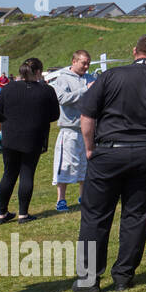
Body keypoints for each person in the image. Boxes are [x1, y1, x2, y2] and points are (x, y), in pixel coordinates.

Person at [73, 34, 146, 292]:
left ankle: (88, 280)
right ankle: (123, 276)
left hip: (108, 152)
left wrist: (90, 148)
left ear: (134, 51)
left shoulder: (110, 76)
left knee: (95, 217)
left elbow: (87, 116)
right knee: (136, 217)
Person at [0, 58, 60, 222]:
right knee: (27, 173)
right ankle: (23, 213)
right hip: (33, 136)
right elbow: (54, 115)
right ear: (38, 72)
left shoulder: (8, 88)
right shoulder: (46, 90)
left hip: (10, 136)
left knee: (8, 173)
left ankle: (2, 213)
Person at [52, 49, 95, 212]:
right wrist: (85, 90)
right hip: (70, 129)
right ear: (74, 61)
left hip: (88, 128)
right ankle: (61, 199)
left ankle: (83, 196)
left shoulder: (91, 78)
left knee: (86, 164)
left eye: (88, 63)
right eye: (83, 63)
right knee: (65, 164)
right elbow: (62, 99)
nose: (86, 66)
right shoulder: (62, 78)